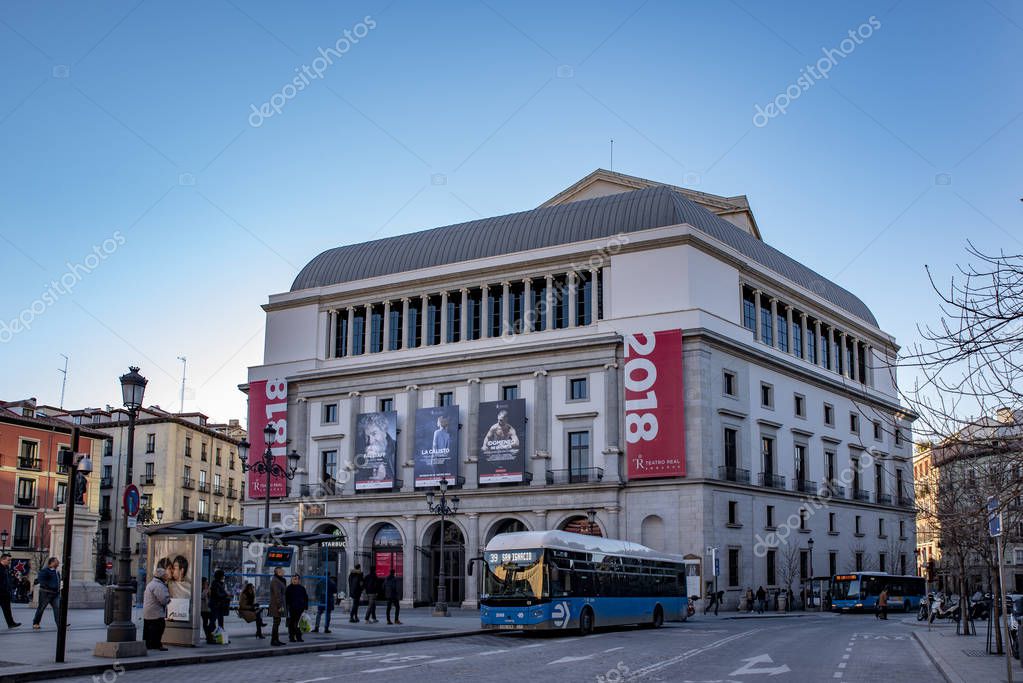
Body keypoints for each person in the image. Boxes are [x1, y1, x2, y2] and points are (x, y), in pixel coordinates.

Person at [142, 566, 171, 650]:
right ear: (161, 576)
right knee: (159, 628)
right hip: (156, 612)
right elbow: (163, 599)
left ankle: (148, 644)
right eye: (165, 575)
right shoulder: (159, 586)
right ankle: (156, 644)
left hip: (148, 611)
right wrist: (168, 599)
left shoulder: (151, 584)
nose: (166, 576)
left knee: (148, 629)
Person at [32, 557, 61, 629]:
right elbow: (41, 579)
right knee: (41, 608)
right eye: (57, 561)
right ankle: (36, 623)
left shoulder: (56, 572)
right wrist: (48, 586)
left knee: (58, 608)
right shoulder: (45, 570)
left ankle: (60, 624)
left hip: (55, 593)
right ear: (52, 562)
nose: (58, 563)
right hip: (46, 593)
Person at [285, 575, 308, 643]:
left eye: (296, 579)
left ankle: (299, 637)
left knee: (299, 623)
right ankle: (291, 637)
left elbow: (306, 598)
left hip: (300, 609)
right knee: (291, 624)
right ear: (291, 580)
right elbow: (286, 599)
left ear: (298, 580)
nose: (294, 580)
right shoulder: (289, 588)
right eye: (293, 579)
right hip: (291, 609)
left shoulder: (302, 588)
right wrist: (287, 607)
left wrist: (305, 607)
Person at [268, 567, 287, 646]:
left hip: (277, 605)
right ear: (278, 572)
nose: (283, 571)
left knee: (277, 622)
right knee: (276, 623)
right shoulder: (275, 581)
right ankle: (274, 640)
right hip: (276, 605)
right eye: (282, 571)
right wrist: (280, 606)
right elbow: (277, 595)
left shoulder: (278, 580)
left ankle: (276, 639)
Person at [0, 554, 20, 628]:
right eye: (8, 560)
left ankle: (11, 623)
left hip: (5, 592)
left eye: (10, 560)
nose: (10, 561)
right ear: (3, 560)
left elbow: (8, 579)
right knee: (6, 608)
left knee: (7, 609)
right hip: (1, 591)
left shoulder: (6, 568)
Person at [200, 578, 215, 644]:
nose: (207, 583)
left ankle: (210, 636)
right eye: (206, 582)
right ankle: (209, 636)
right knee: (205, 623)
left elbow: (211, 597)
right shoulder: (201, 589)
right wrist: (206, 590)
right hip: (204, 609)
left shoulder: (208, 589)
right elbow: (201, 596)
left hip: (209, 609)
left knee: (212, 623)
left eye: (207, 582)